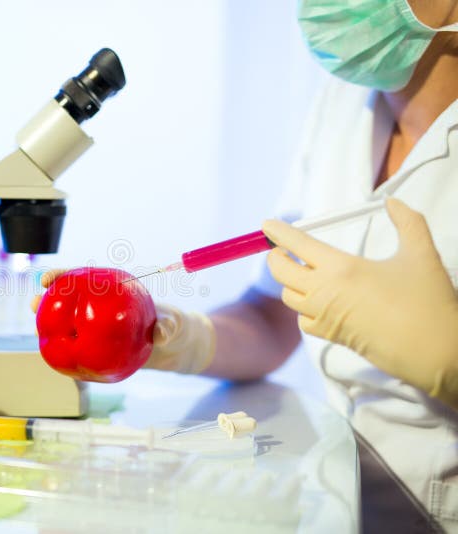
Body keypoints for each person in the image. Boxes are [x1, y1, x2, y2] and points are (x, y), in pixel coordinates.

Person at [35, 0, 458, 530]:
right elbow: (272, 314)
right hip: (335, 506)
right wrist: (181, 338)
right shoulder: (344, 102)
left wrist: (452, 362)